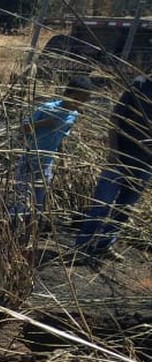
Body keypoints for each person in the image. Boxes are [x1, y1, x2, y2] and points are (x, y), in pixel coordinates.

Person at [76, 75, 152, 260]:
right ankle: (82, 248)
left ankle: (104, 246)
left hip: (146, 162)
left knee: (125, 208)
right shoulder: (140, 85)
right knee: (102, 204)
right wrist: (113, 151)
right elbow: (115, 118)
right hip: (121, 156)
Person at [12, 75, 92, 218]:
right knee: (22, 201)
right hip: (29, 159)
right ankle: (13, 228)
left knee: (39, 202)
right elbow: (23, 128)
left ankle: (30, 233)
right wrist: (44, 123)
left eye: (82, 101)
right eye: (76, 98)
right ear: (67, 93)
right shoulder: (48, 108)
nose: (78, 103)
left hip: (46, 164)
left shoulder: (72, 115)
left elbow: (60, 137)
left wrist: (63, 160)